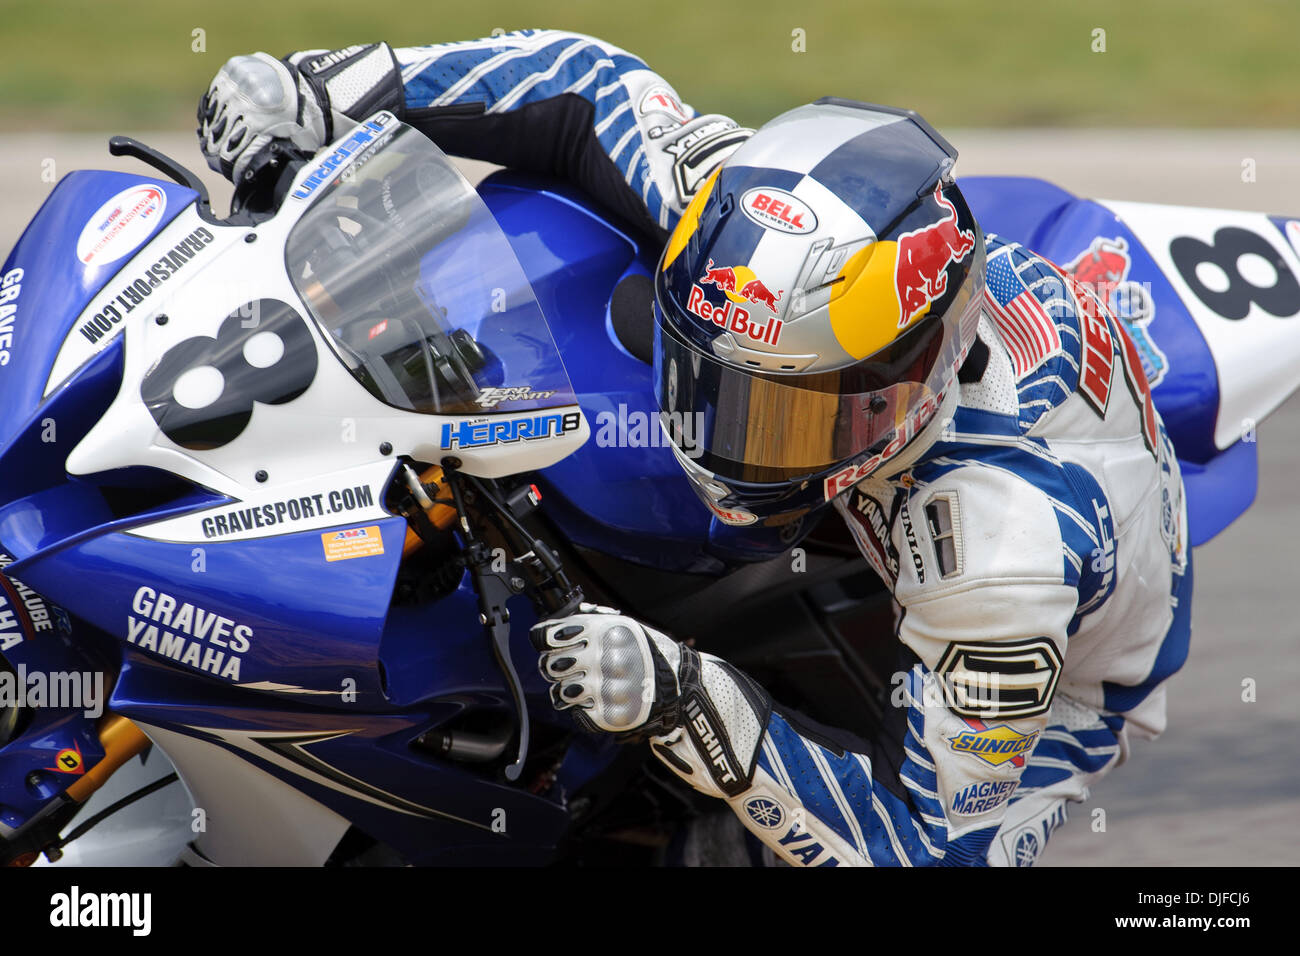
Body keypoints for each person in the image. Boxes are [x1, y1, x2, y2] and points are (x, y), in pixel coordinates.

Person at [198, 30, 1190, 866]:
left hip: (1065, 687)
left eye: (786, 414)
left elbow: (924, 844)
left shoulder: (993, 562)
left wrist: (680, 698)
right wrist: (327, 85)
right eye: (714, 386)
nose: (726, 440)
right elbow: (584, 83)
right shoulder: (751, 241)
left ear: (907, 388)